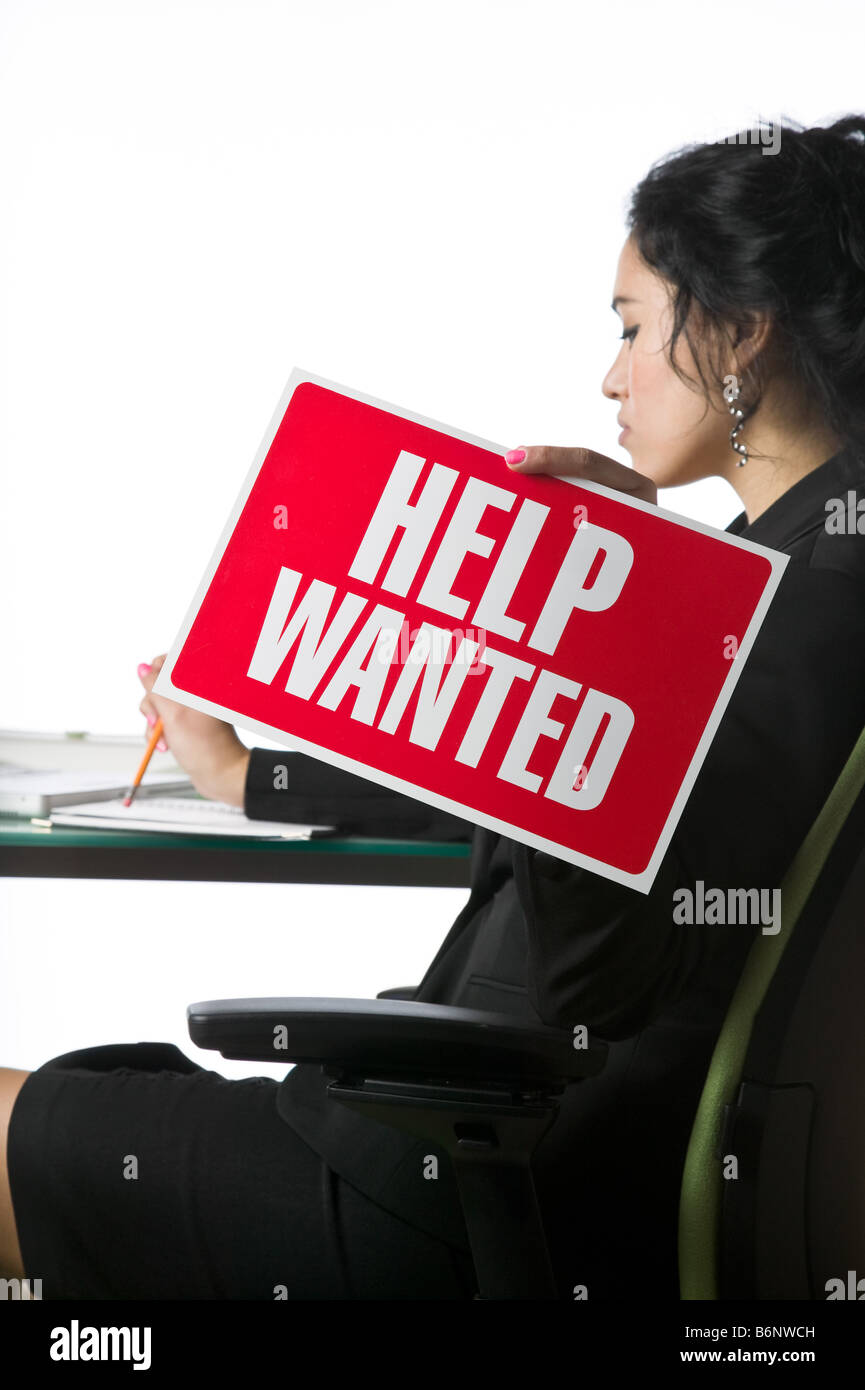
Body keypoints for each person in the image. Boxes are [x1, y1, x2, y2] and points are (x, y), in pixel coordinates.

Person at [3, 115, 865, 1301]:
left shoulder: (799, 612)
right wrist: (257, 775)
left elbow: (600, 982)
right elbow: (633, 793)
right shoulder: (805, 571)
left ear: (743, 337)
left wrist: (607, 627)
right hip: (530, 1173)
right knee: (94, 1087)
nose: (608, 376)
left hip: (465, 1196)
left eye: (629, 330)